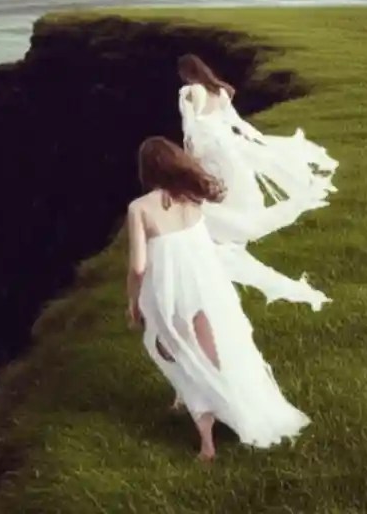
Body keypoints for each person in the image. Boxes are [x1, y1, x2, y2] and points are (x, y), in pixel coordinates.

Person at [126, 137, 311, 461]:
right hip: (207, 288)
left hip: (168, 293)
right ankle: (216, 401)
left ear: (146, 170)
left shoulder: (140, 209)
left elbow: (138, 267)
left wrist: (132, 302)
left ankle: (207, 443)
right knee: (215, 353)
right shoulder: (194, 198)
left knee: (179, 354)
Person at [177, 53, 337, 309]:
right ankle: (235, 223)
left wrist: (188, 158)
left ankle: (224, 228)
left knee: (214, 187)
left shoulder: (190, 91)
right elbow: (233, 121)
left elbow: (191, 128)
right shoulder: (220, 91)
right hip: (227, 146)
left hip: (208, 147)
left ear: (186, 73)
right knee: (233, 185)